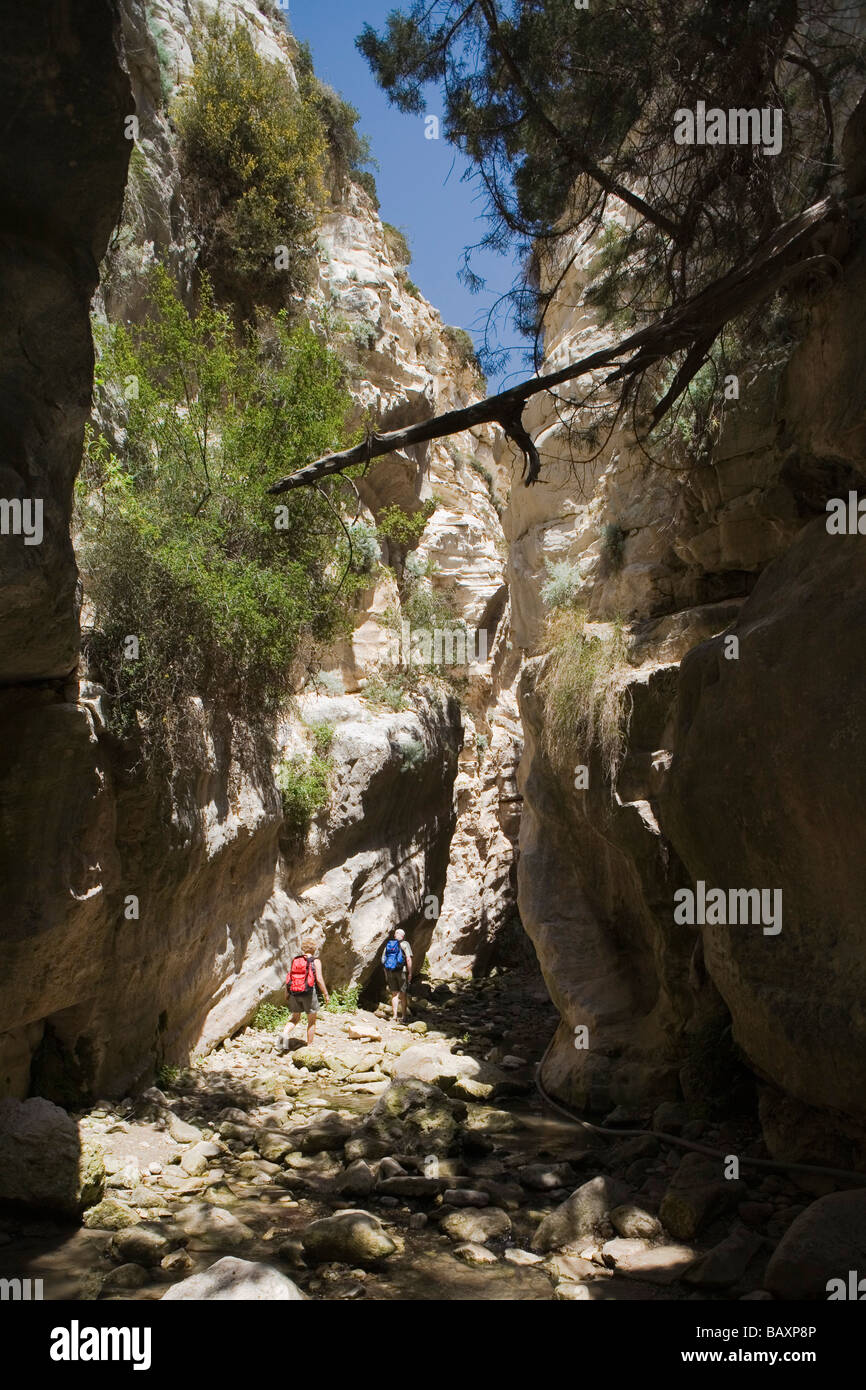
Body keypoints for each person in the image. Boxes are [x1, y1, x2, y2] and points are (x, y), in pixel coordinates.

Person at [279, 938, 329, 1051]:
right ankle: (310, 1047)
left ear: (303, 948)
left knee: (295, 1019)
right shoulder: (315, 961)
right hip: (308, 993)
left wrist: (287, 993)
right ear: (314, 949)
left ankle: (283, 1038)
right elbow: (319, 979)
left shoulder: (296, 960)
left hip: (294, 992)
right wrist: (326, 994)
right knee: (311, 1021)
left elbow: (289, 978)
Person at [382, 927, 412, 1022]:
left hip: (390, 971)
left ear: (395, 935)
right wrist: (410, 973)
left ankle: (394, 1016)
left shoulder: (389, 945)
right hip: (401, 971)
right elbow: (408, 959)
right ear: (403, 936)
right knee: (403, 994)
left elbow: (383, 960)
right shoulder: (405, 944)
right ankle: (403, 1017)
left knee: (394, 994)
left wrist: (386, 973)